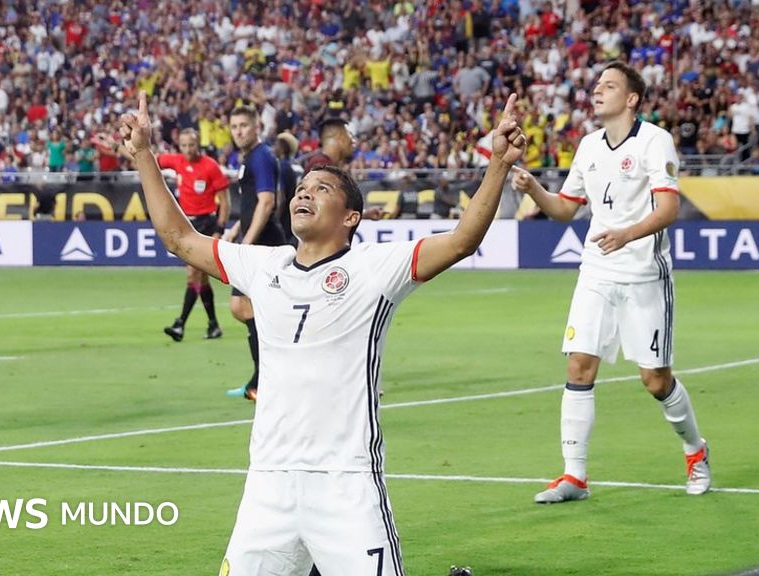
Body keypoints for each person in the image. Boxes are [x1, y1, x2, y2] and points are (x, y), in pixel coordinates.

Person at [119, 91, 525, 576]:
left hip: (346, 484)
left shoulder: (375, 268)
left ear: (351, 217)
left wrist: (498, 163)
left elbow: (462, 240)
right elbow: (179, 239)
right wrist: (144, 154)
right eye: (303, 187)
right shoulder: (263, 265)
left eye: (322, 189)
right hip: (268, 484)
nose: (304, 193)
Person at [510, 61, 712, 504]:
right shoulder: (586, 146)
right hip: (596, 272)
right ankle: (574, 478)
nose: (597, 90)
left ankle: (695, 450)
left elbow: (667, 210)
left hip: (644, 275)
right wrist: (532, 189)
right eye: (596, 83)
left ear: (632, 98)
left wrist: (625, 234)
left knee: (656, 381)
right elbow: (565, 209)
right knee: (578, 367)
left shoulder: (655, 141)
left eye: (609, 85)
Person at [222, 105, 287, 401]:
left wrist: (246, 243)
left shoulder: (261, 157)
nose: (238, 131)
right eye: (234, 126)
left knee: (244, 307)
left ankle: (263, 382)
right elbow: (251, 205)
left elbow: (266, 202)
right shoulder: (247, 158)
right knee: (246, 308)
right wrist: (236, 229)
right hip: (255, 239)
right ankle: (261, 380)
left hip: (264, 244)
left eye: (243, 126)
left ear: (256, 126)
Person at [158, 128, 231, 341]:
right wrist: (120, 148)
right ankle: (213, 325)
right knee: (202, 279)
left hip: (206, 225)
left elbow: (225, 203)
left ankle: (180, 324)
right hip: (186, 224)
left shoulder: (211, 167)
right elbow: (149, 160)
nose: (188, 150)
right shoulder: (177, 161)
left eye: (191, 145)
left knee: (193, 275)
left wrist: (219, 229)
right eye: (184, 146)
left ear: (198, 144)